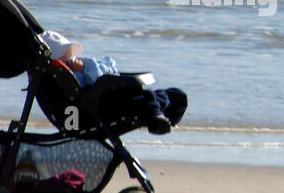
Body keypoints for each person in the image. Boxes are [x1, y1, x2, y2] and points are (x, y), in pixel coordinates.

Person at [39, 30, 186, 134]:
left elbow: (107, 72)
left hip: (108, 97)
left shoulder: (70, 70)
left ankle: (160, 119)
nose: (71, 60)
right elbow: (95, 81)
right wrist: (86, 68)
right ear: (56, 62)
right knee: (144, 97)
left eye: (69, 55)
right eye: (66, 57)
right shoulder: (68, 77)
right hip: (98, 108)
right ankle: (156, 117)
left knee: (176, 96)